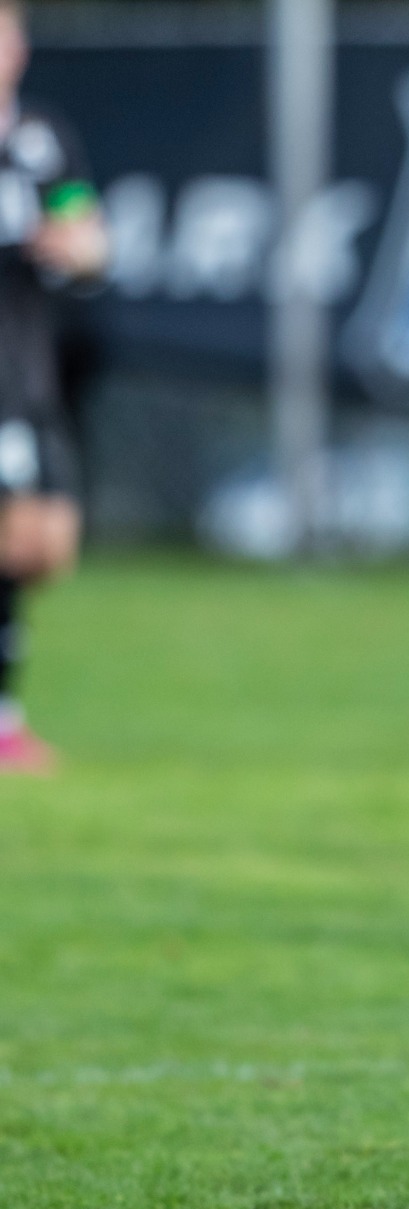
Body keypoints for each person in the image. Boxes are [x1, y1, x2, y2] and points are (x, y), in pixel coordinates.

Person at [0, 0, 106, 772]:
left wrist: (76, 245)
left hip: (26, 368)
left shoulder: (41, 142)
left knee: (44, 545)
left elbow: (85, 226)